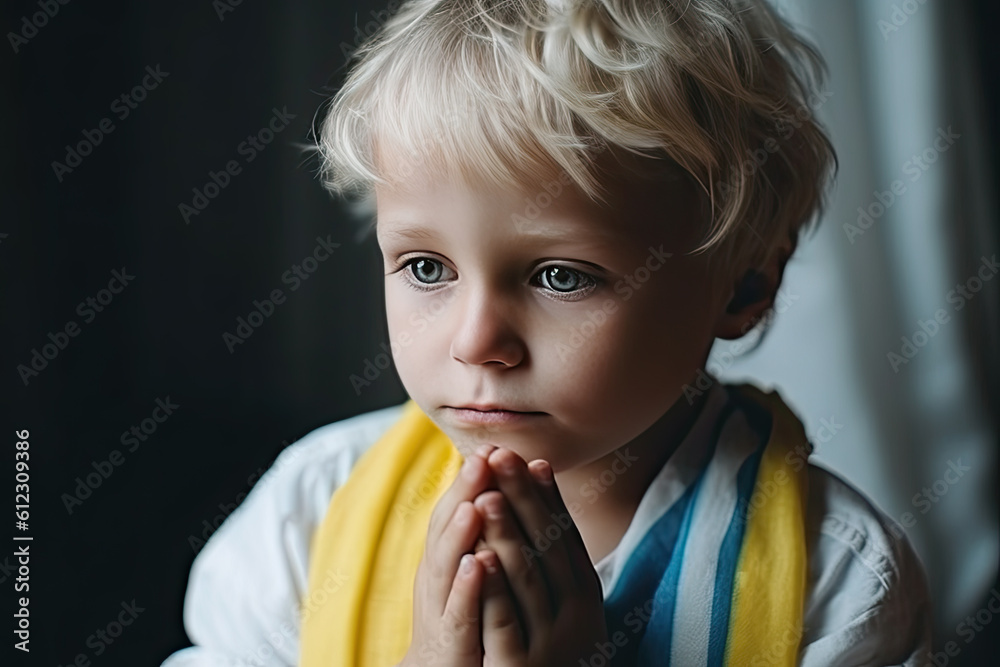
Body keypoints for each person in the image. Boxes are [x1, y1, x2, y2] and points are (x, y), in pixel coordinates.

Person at [162, 1, 932, 665]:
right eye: (427, 267)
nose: (476, 341)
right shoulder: (309, 515)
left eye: (560, 276)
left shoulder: (835, 580)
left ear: (745, 284)